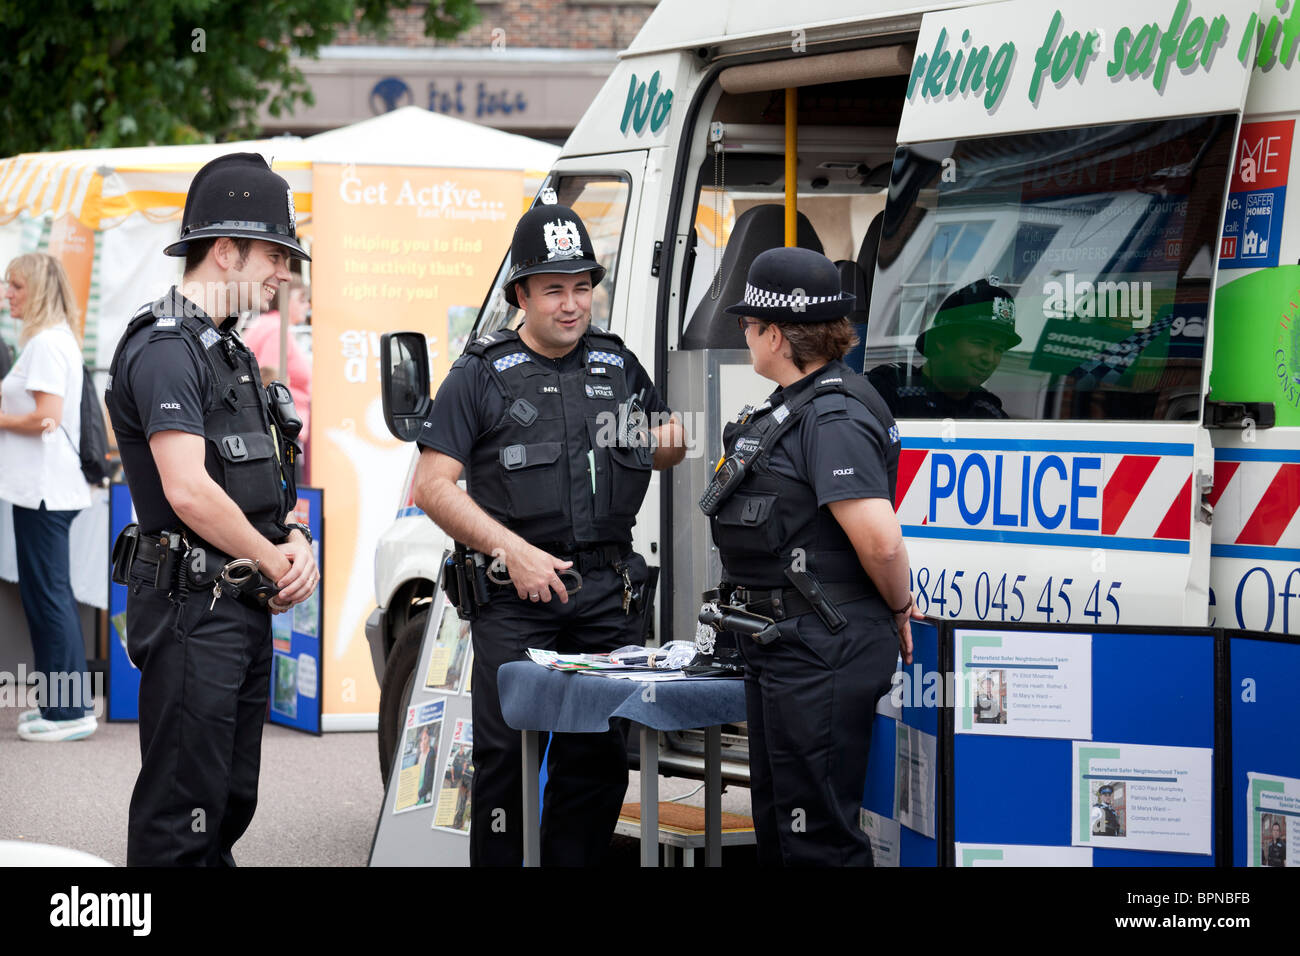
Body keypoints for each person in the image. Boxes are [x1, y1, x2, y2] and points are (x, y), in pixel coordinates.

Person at [412, 196, 686, 866]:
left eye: (583, 287)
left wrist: (668, 440)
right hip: (513, 595)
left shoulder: (617, 367)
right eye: (555, 289)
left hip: (604, 593)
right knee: (505, 758)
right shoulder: (478, 375)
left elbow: (667, 443)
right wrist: (513, 551)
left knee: (597, 757)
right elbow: (431, 486)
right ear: (521, 296)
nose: (572, 303)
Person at [104, 153, 319, 866]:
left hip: (239, 608)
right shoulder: (166, 346)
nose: (285, 274)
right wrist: (272, 560)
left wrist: (293, 539)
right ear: (226, 250)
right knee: (181, 819)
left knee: (226, 802)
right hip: (195, 611)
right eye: (276, 255)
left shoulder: (226, 351)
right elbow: (188, 489)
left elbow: (263, 484)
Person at [704, 245, 922, 866]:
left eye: (748, 326)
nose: (746, 338)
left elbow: (880, 539)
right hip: (785, 645)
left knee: (816, 840)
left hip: (821, 650)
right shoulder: (791, 408)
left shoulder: (832, 415)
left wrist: (900, 605)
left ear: (775, 332)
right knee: (781, 829)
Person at [0, 253, 97, 742]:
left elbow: (46, 418)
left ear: (35, 289)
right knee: (47, 600)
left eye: (15, 286)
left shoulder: (44, 344)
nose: (7, 295)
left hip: (43, 493)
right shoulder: (53, 341)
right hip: (43, 491)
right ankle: (61, 705)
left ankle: (70, 712)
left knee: (50, 601)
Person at [868, 278, 1019, 419]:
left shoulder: (990, 413)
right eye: (980, 343)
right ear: (942, 340)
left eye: (999, 349)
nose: (989, 358)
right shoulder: (888, 392)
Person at [241, 276, 312, 479]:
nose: (306, 305)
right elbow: (269, 378)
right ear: (285, 299)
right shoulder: (276, 329)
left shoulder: (266, 324)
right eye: (301, 299)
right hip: (279, 435)